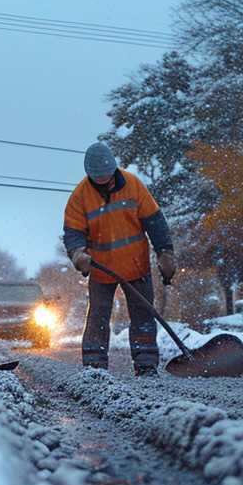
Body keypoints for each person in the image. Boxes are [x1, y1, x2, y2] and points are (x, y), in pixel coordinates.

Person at [63, 142, 175, 376]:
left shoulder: (134, 185)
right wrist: (77, 253)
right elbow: (73, 233)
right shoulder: (79, 197)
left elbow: (155, 222)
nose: (104, 184)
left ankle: (146, 365)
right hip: (101, 269)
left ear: (114, 170)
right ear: (90, 177)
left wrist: (165, 252)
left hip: (136, 266)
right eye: (98, 181)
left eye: (107, 178)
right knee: (98, 316)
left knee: (143, 315)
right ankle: (94, 366)